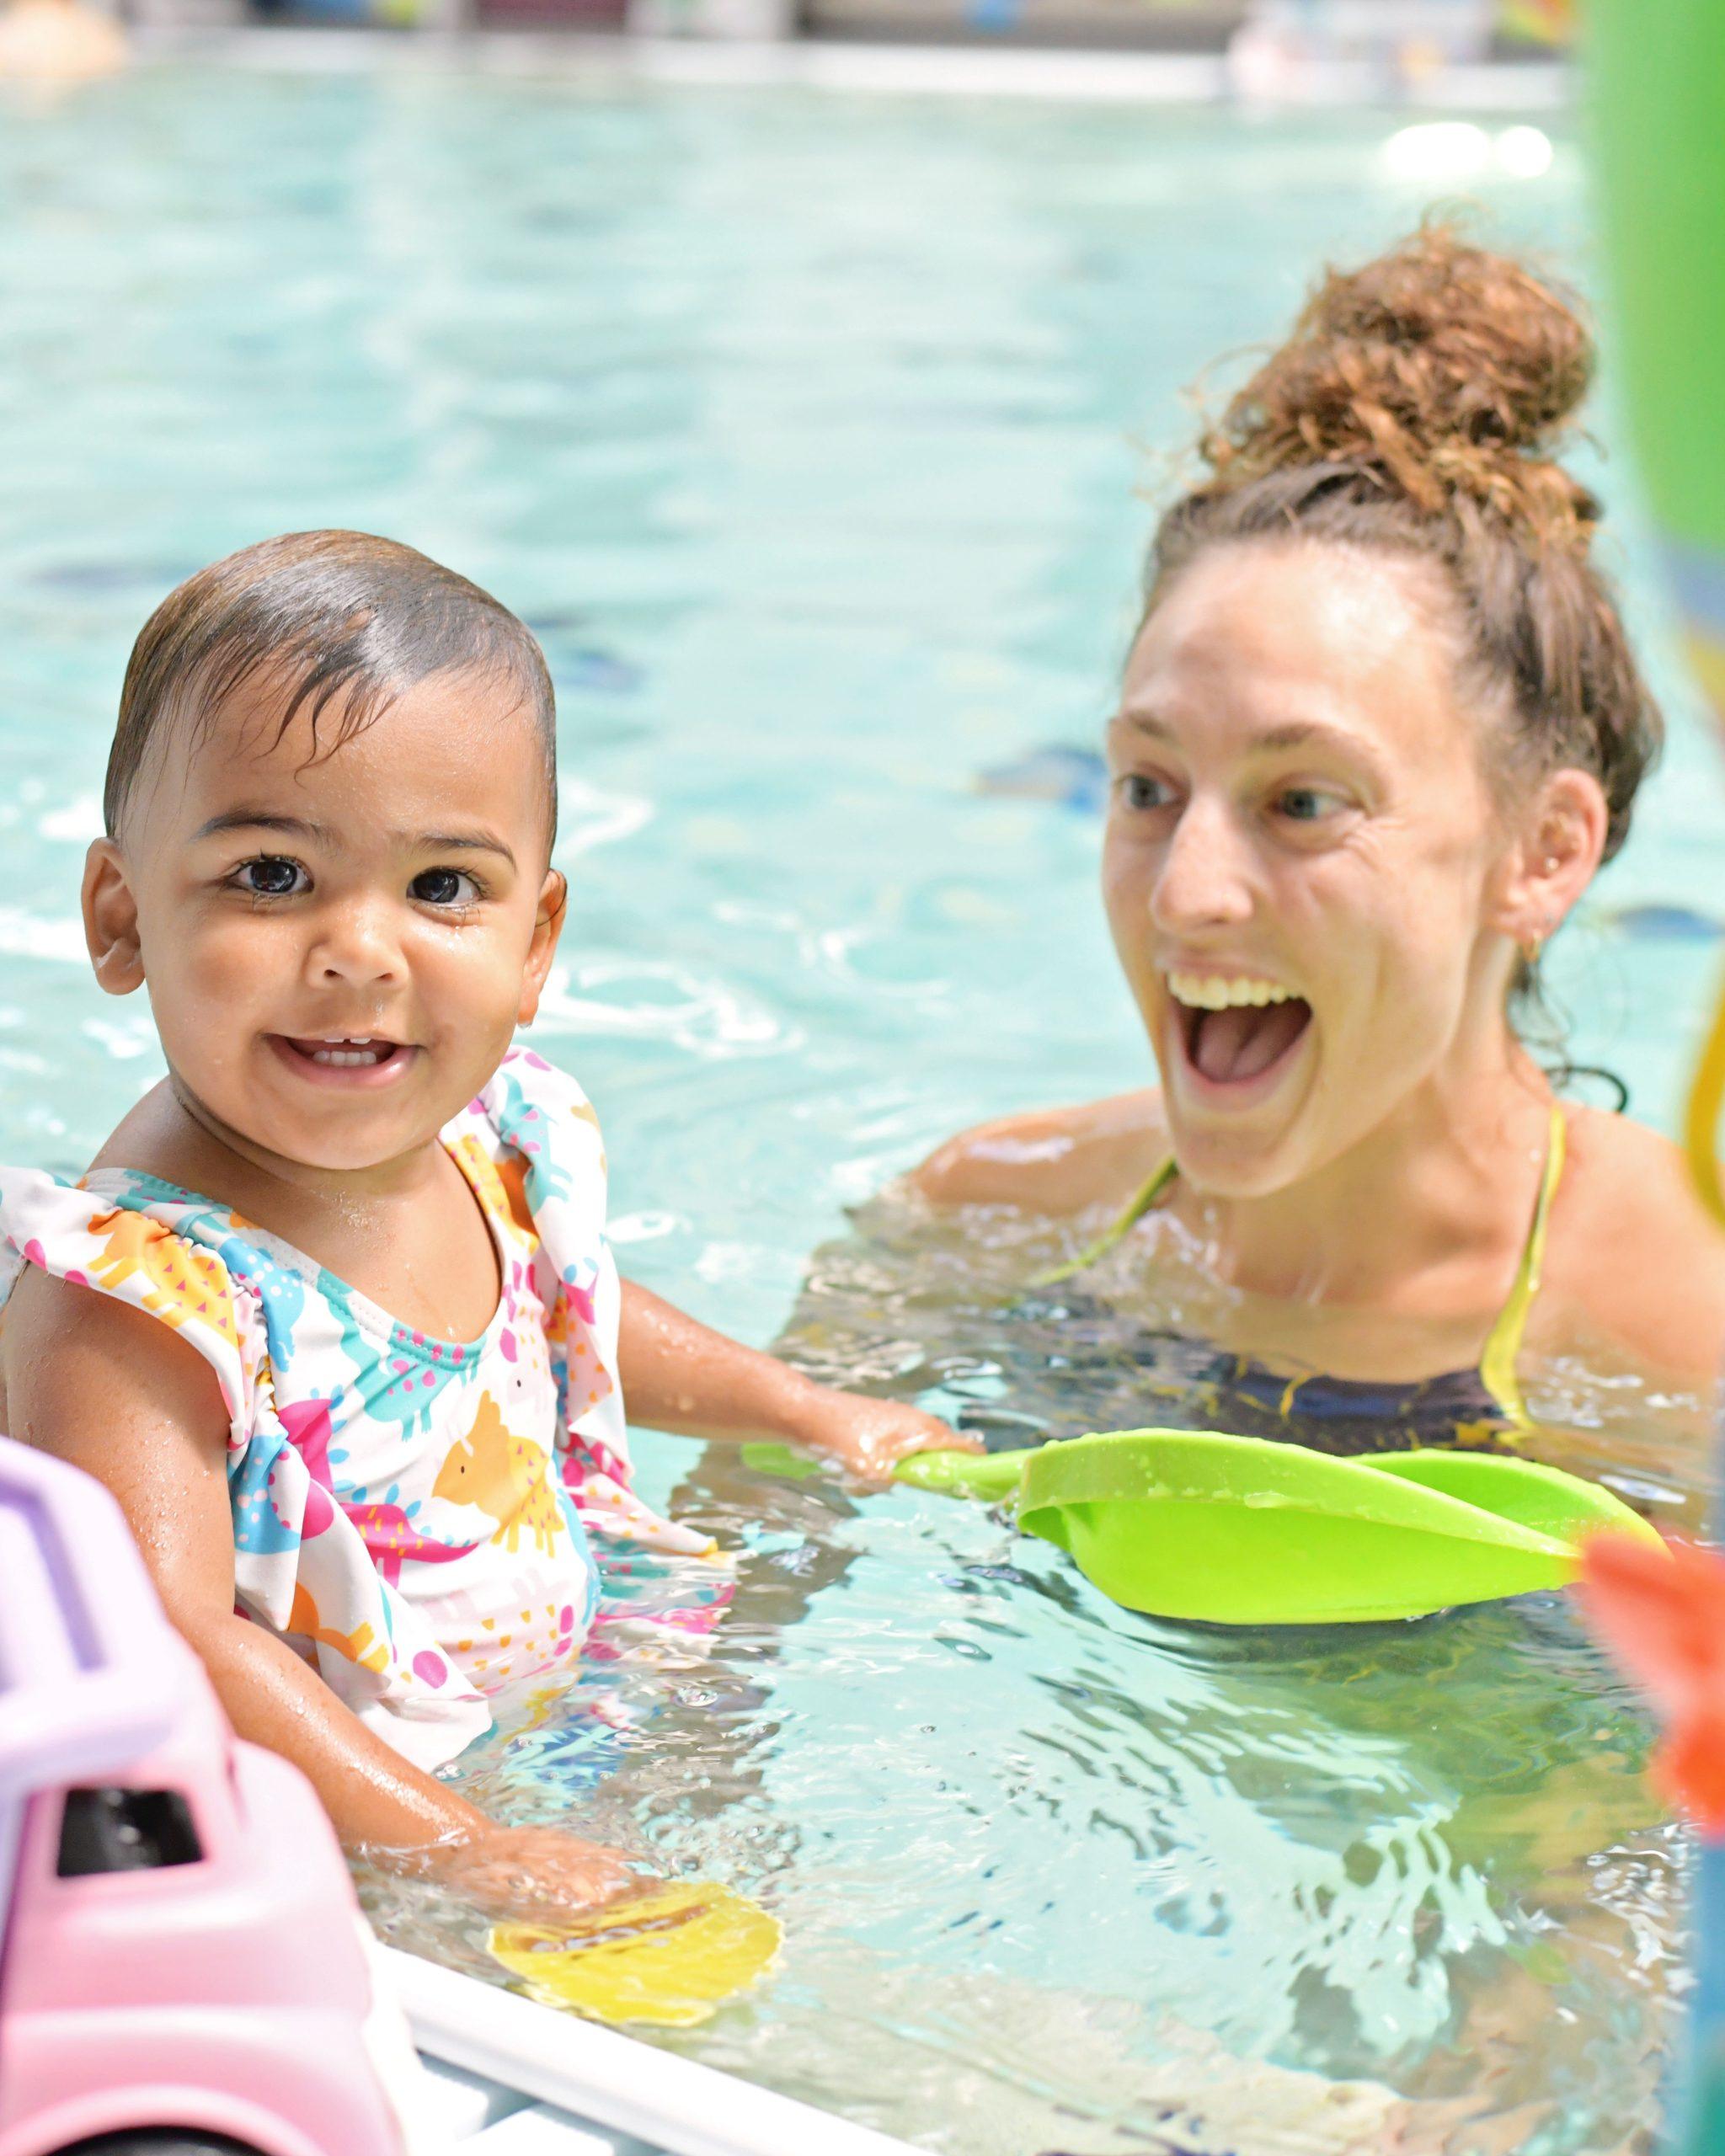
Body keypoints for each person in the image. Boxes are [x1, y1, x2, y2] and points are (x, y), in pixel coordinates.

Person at [0, 531, 969, 1919]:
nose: (360, 949)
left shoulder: (479, 1144)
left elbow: (567, 1311)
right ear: (120, 918)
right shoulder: (133, 1301)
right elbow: (168, 1640)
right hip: (328, 1836)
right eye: (271, 875)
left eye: (443, 887)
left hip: (529, 1735)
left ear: (537, 943)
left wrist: (804, 1408)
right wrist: (453, 1847)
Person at [914, 225, 1725, 1454]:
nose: (1187, 894)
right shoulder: (988, 1225)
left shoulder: (1684, 1322)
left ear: (1544, 853)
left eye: (1303, 803)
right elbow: (703, 1612)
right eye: (1147, 787)